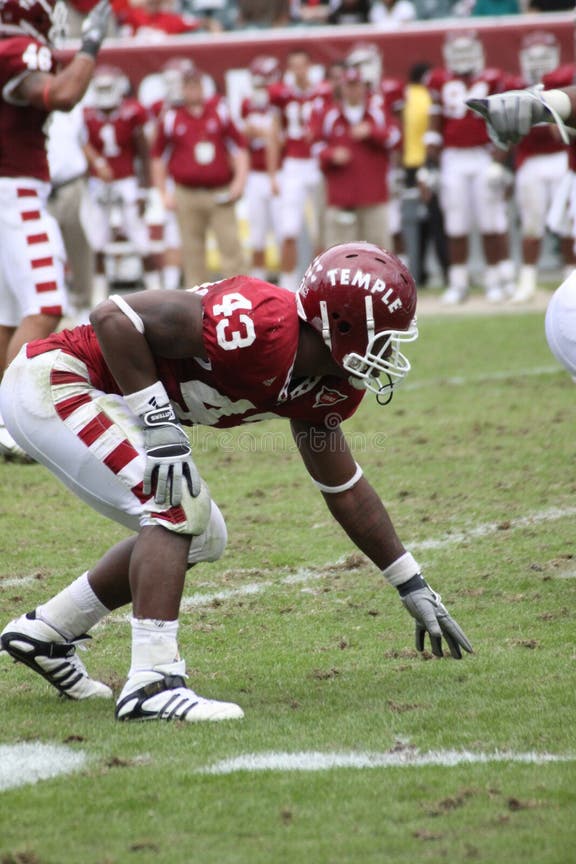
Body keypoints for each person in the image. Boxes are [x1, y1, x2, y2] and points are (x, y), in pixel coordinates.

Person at [0, 241, 473, 724]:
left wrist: (409, 581)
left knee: (205, 534)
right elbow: (114, 317)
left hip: (91, 398)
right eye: (383, 338)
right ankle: (153, 682)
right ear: (342, 327)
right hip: (61, 380)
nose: (388, 352)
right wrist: (158, 421)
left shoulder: (330, 384)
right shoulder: (259, 322)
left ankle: (47, 632)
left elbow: (344, 488)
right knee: (178, 506)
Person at [0, 0, 111, 461]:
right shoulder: (16, 49)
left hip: (9, 190)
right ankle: (10, 424)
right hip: (16, 192)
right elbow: (61, 94)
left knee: (9, 316)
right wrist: (91, 44)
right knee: (45, 305)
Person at [466, 81, 576, 378]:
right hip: (540, 162)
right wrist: (546, 103)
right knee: (533, 225)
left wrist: (545, 104)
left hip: (560, 163)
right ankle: (527, 280)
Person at [424, 30, 516, 305]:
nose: (463, 58)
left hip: (483, 155)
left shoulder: (494, 79)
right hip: (453, 158)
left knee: (490, 221)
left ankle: (494, 280)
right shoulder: (439, 80)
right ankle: (458, 282)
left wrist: (500, 161)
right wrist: (429, 166)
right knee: (456, 224)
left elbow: (505, 125)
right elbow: (434, 126)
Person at [151, 63, 248, 288]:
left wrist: (240, 181)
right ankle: (198, 300)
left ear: (203, 87)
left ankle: (239, 292)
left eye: (197, 85)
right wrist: (163, 192)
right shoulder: (172, 117)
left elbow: (239, 147)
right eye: (189, 86)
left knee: (230, 245)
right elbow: (157, 156)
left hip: (219, 190)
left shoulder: (219, 111)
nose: (193, 91)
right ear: (183, 89)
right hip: (187, 192)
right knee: (192, 250)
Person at [83, 64, 161, 296]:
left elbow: (144, 153)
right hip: (98, 183)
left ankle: (155, 290)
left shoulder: (132, 112)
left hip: (128, 181)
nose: (105, 93)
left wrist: (144, 190)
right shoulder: (86, 115)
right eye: (101, 88)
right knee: (97, 242)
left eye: (108, 88)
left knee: (141, 240)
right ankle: (98, 295)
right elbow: (82, 150)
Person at [310, 66, 401, 249]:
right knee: (340, 251)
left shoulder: (376, 112)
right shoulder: (331, 114)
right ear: (342, 88)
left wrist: (372, 132)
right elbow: (315, 145)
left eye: (356, 86)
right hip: (341, 195)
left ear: (363, 87)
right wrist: (331, 154)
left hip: (373, 195)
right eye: (348, 86)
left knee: (377, 250)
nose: (353, 91)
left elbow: (396, 138)